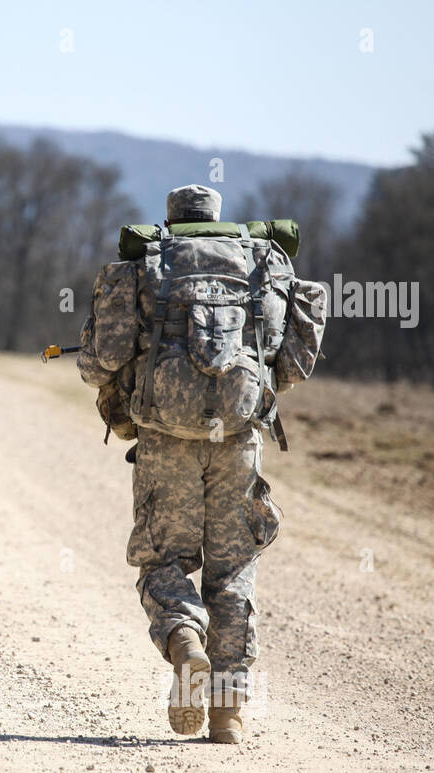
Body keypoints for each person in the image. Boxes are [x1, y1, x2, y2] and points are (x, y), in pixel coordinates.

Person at [77, 185, 327, 743]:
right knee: (233, 568)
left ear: (171, 219)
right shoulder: (265, 261)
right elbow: (291, 362)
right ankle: (228, 714)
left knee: (163, 556)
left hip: (165, 435)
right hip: (238, 436)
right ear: (217, 218)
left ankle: (185, 640)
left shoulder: (144, 265)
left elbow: (101, 362)